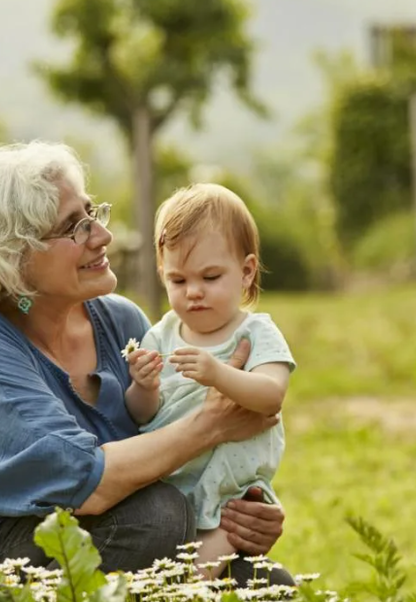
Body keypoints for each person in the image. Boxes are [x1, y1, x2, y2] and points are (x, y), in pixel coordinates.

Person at [0, 142, 293, 587]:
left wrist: (244, 506)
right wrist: (214, 424)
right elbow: (86, 484)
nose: (102, 236)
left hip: (86, 536)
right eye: (74, 227)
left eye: (93, 214)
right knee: (157, 518)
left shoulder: (120, 321)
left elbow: (165, 445)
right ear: (10, 258)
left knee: (267, 584)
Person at [124, 183, 295, 578]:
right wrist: (144, 387)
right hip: (173, 480)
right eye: (178, 281)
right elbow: (140, 415)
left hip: (230, 492)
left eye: (211, 276)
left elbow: (271, 396)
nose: (194, 293)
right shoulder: (161, 334)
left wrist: (219, 373)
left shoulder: (255, 333)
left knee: (192, 576)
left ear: (246, 272)